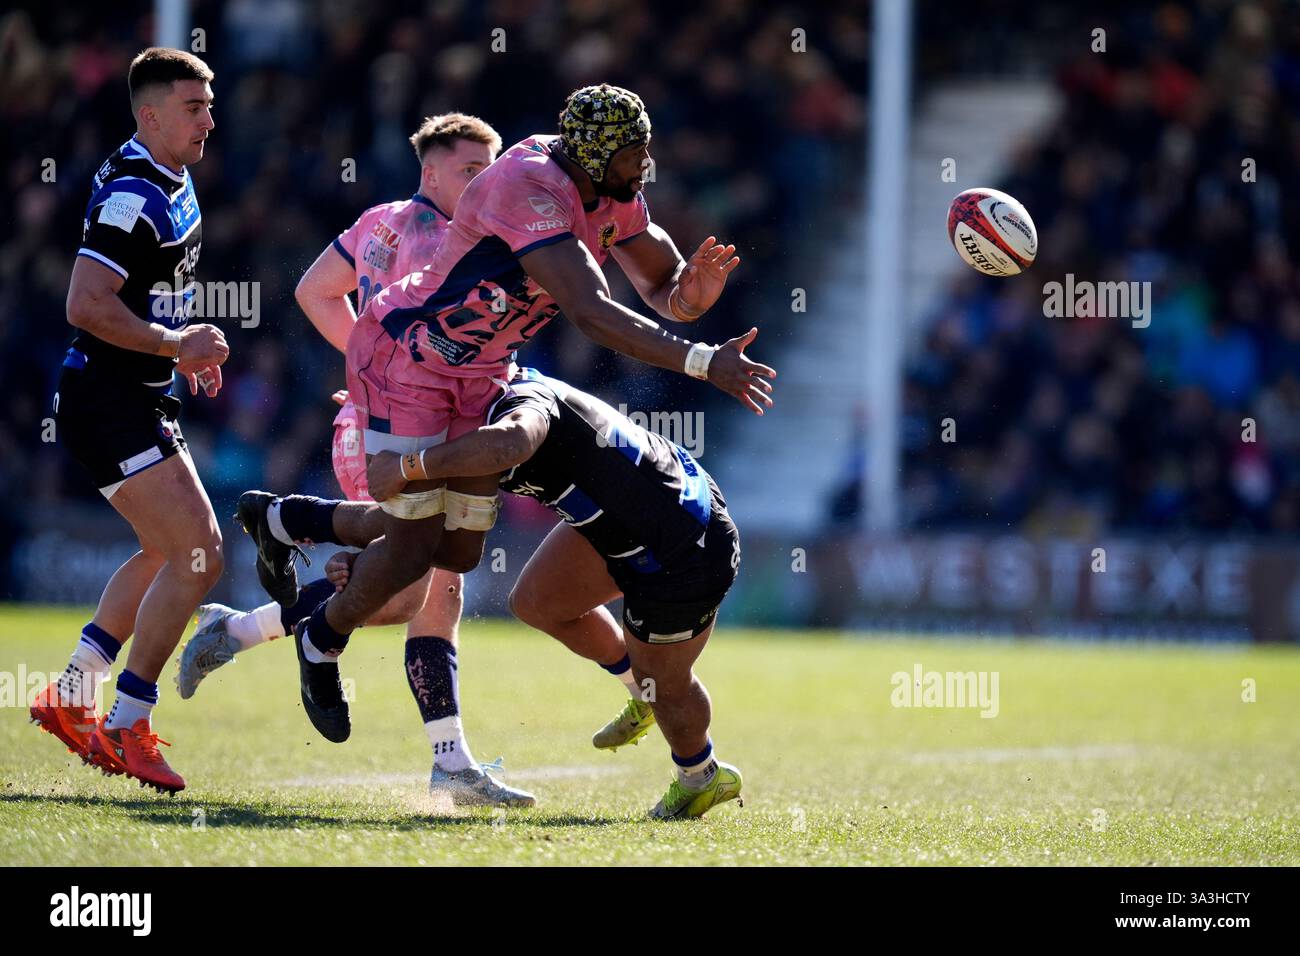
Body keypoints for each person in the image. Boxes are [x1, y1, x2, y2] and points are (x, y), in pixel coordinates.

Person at [259, 85, 773, 750]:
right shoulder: (529, 186)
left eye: (645, 149)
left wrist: (689, 297)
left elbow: (660, 284)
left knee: (459, 550)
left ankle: (287, 519)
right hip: (410, 355)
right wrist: (703, 361)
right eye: (632, 154)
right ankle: (321, 642)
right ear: (592, 155)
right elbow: (590, 312)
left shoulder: (612, 188)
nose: (644, 166)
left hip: (482, 369)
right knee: (414, 553)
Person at [177, 114, 533, 806]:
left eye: (491, 171)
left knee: (423, 594)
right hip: (391, 434)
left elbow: (313, 289)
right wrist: (386, 375)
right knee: (415, 588)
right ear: (430, 171)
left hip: (377, 422)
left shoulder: (378, 223)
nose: (486, 182)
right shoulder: (452, 239)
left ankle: (447, 759)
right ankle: (252, 607)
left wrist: (372, 365)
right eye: (470, 170)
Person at [307, 369, 747, 819]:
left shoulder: (512, 409)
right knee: (536, 602)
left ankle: (702, 775)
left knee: (667, 685)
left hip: (684, 548)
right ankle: (641, 689)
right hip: (626, 522)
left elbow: (510, 445)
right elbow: (429, 532)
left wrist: (406, 467)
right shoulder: (473, 417)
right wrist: (368, 553)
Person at [29, 48, 226, 794]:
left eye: (209, 105)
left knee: (163, 552)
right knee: (200, 554)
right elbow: (85, 304)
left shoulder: (173, 178)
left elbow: (152, 296)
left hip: (136, 394)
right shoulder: (134, 194)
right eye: (193, 106)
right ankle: (126, 721)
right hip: (107, 402)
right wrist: (175, 344)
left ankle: (73, 696)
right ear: (150, 115)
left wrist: (183, 352)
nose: (209, 119)